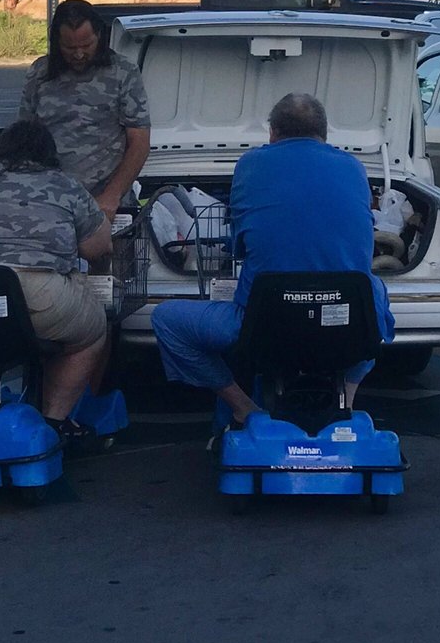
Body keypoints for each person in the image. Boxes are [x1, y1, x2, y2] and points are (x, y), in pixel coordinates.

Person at [151, 93, 395, 427]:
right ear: (324, 134)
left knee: (167, 320)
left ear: (273, 133)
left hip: (263, 326)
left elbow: (239, 247)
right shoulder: (353, 167)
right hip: (345, 324)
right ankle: (345, 405)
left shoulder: (250, 165)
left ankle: (245, 409)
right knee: (376, 298)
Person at [0, 119, 112, 441]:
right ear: (49, 154)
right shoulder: (62, 184)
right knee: (93, 330)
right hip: (29, 294)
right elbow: (98, 247)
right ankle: (52, 423)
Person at [19, 0, 150, 221]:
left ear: (99, 36)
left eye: (86, 46)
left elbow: (139, 141)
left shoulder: (123, 72)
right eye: (70, 48)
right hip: (51, 203)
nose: (79, 54)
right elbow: (24, 138)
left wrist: (113, 196)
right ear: (56, 42)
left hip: (106, 204)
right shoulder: (39, 73)